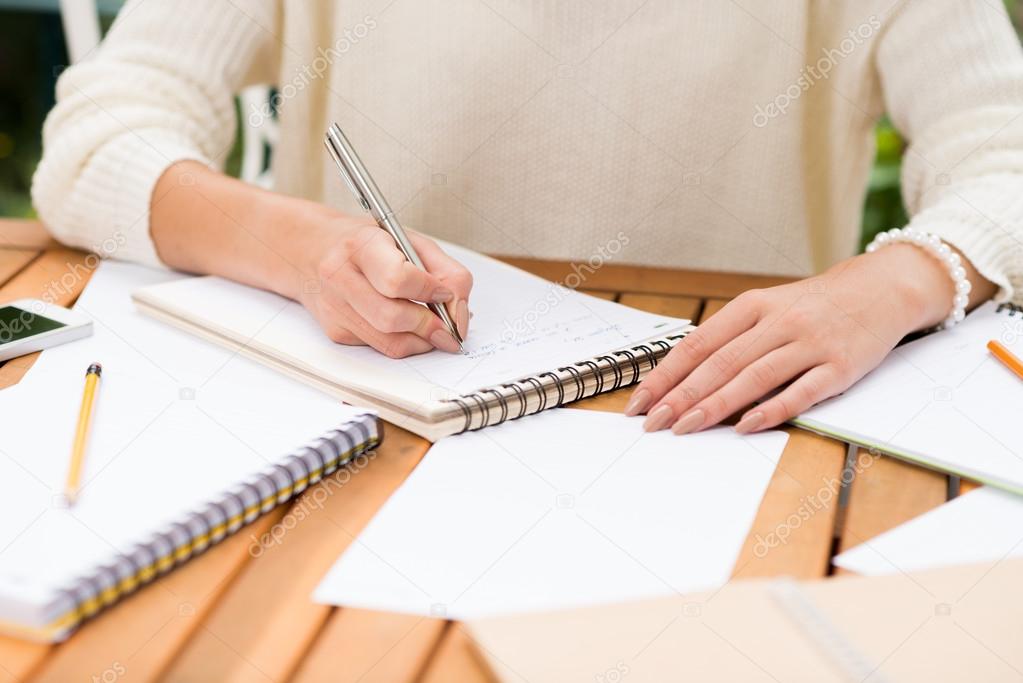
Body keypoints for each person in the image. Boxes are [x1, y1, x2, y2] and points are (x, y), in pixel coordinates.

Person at [32, 1, 1023, 437]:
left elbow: (1005, 155)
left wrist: (893, 283)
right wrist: (305, 249)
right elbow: (95, 141)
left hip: (715, 421)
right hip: (365, 411)